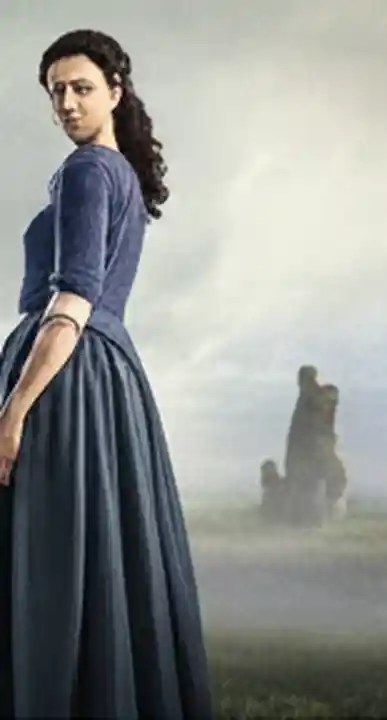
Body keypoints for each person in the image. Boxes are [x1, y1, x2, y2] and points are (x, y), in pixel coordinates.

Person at [0, 29, 215, 718]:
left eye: (81, 87)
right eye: (56, 91)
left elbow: (72, 303)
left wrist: (13, 411)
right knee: (101, 554)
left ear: (115, 91)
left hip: (66, 380)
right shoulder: (121, 174)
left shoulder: (89, 170)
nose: (66, 102)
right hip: (109, 383)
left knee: (51, 553)